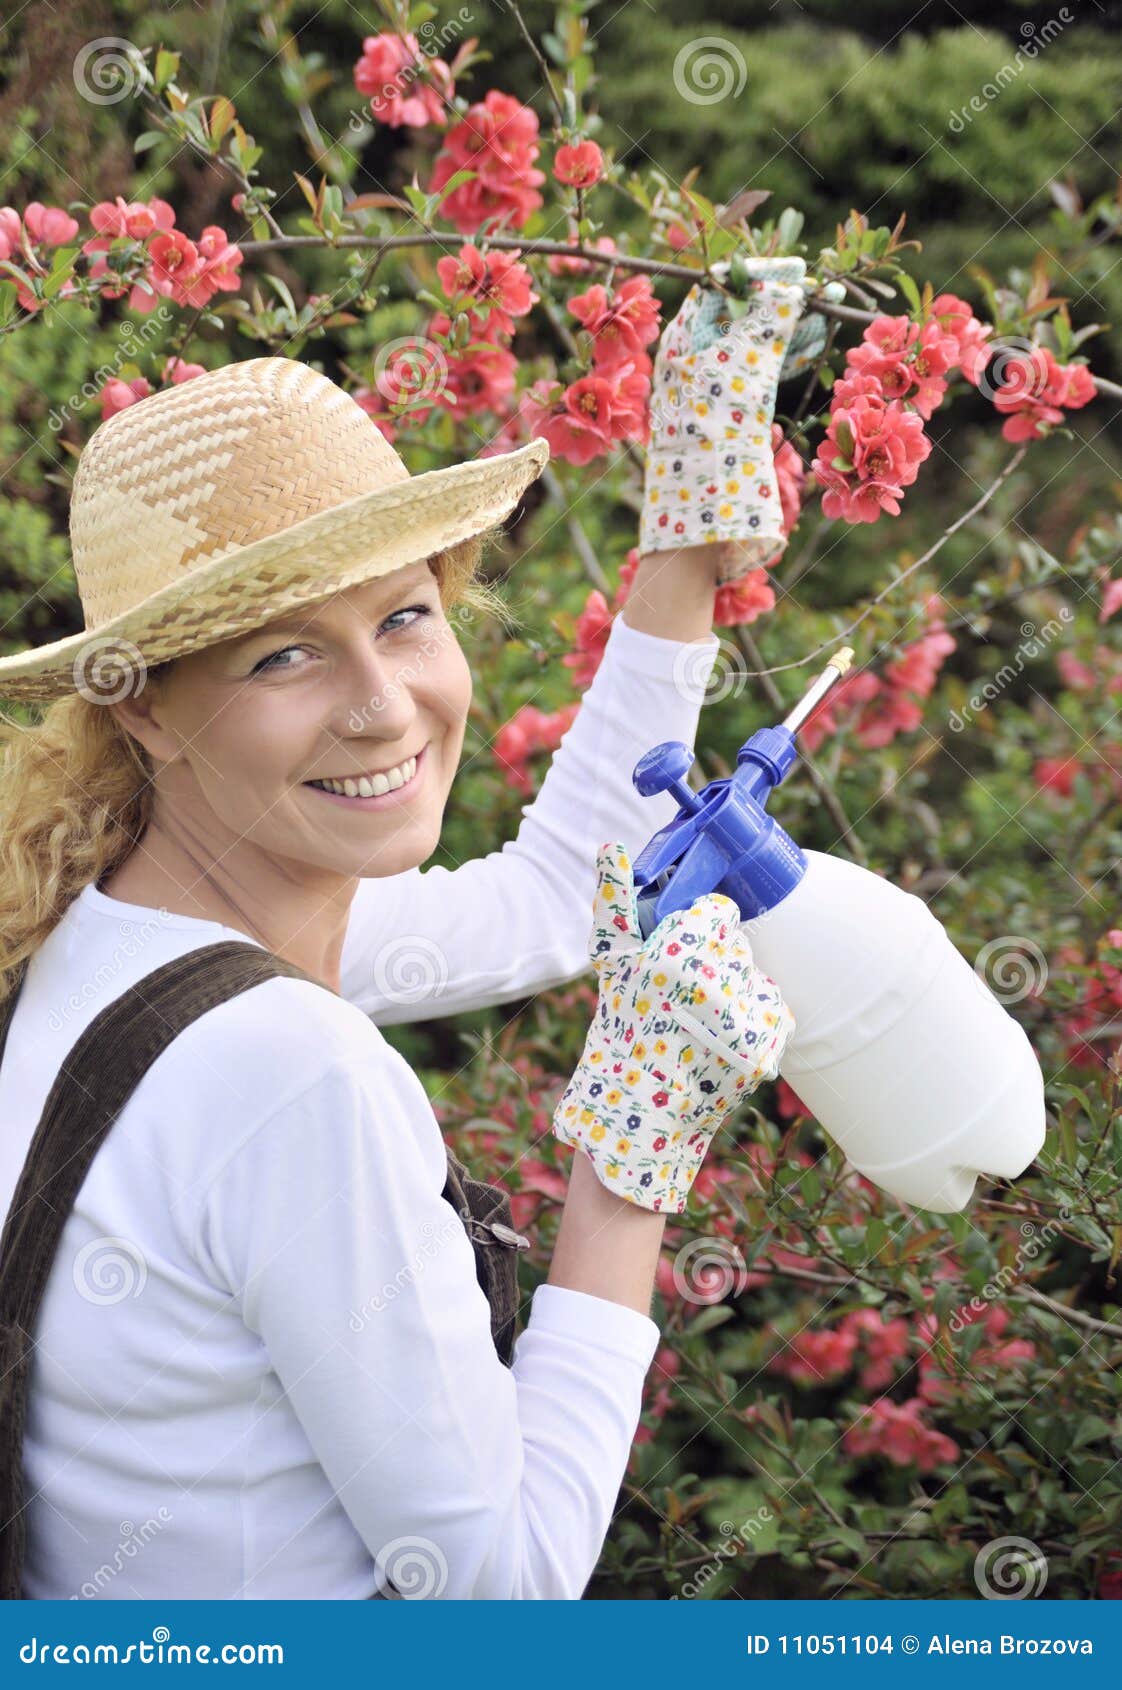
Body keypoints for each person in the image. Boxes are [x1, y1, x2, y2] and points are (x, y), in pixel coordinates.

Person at [0, 351, 792, 1599]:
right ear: (146, 710)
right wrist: (634, 1152)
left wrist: (683, 548)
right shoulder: (291, 1070)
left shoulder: (106, 937)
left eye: (403, 617)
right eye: (282, 657)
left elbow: (548, 900)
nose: (383, 708)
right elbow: (505, 1592)